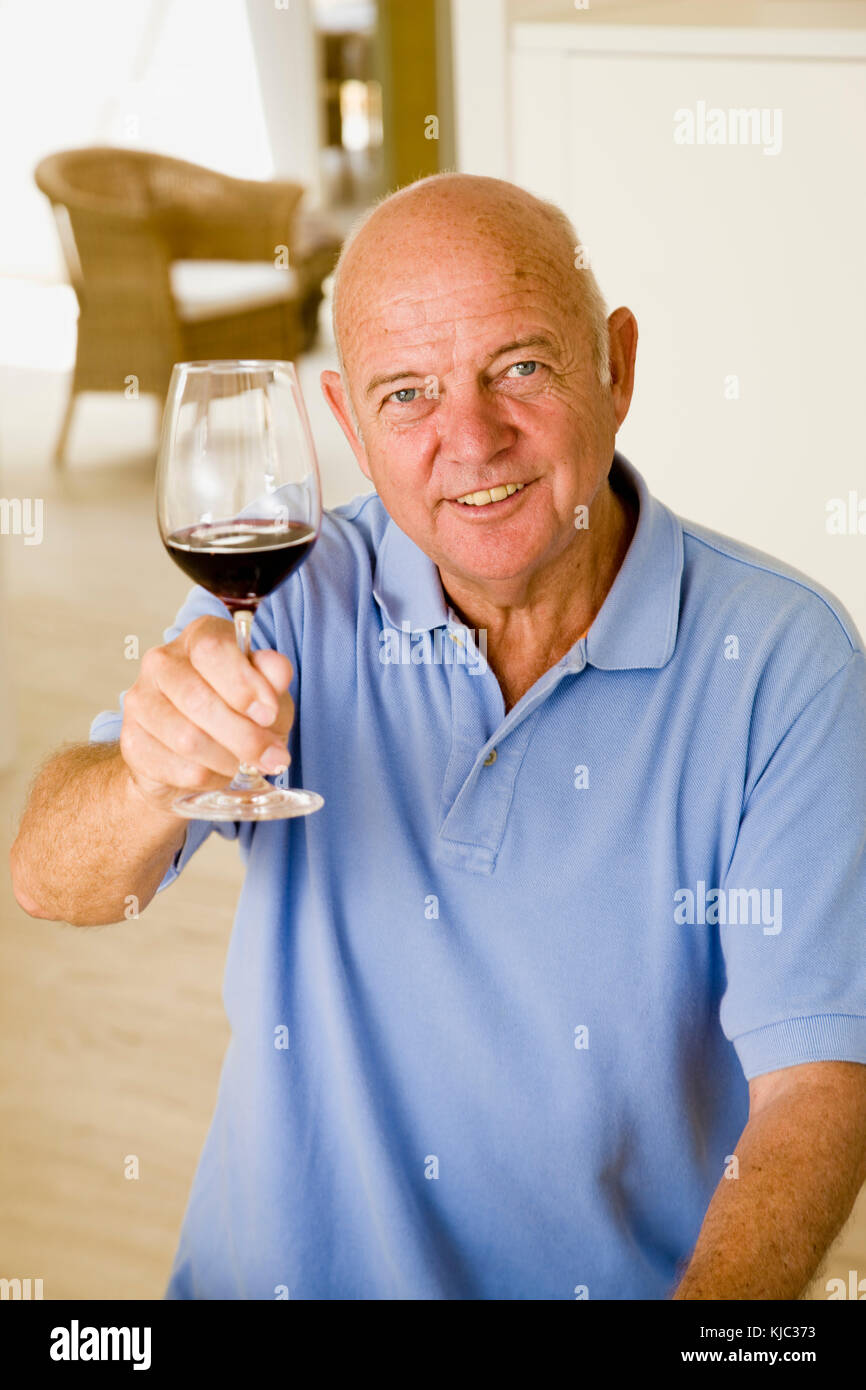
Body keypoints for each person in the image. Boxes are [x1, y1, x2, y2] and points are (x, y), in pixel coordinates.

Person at [11, 173, 866, 1301]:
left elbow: (817, 1085)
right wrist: (143, 777)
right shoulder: (296, 592)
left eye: (518, 366)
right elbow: (51, 881)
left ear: (616, 366)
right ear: (346, 425)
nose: (470, 439)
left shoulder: (782, 658)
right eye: (405, 392)